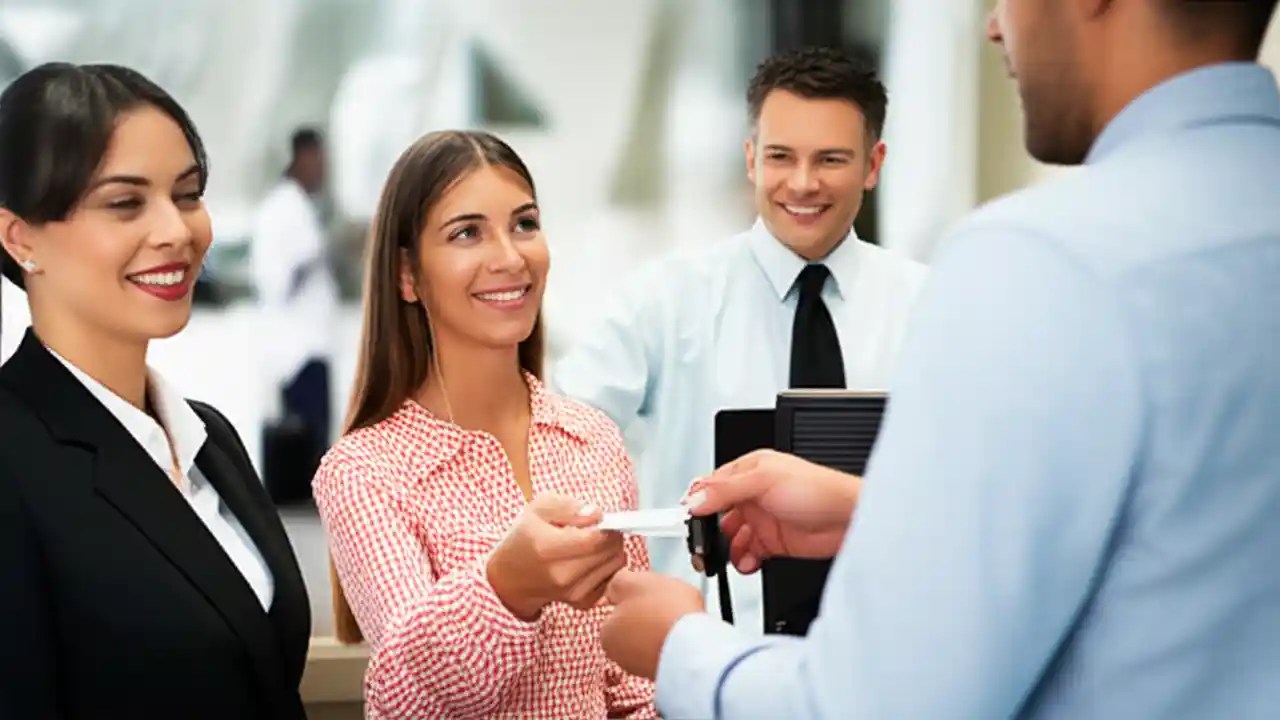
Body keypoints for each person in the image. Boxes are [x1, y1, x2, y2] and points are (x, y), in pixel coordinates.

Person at [599, 1, 1280, 718]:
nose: (994, 25)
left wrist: (680, 646)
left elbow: (874, 705)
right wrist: (869, 512)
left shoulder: (1033, 264)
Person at [552, 46, 928, 631]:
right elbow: (557, 437)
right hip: (707, 664)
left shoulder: (933, 307)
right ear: (751, 158)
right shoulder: (664, 302)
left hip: (885, 656)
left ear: (873, 165)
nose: (803, 184)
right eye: (781, 156)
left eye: (830, 159)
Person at [0, 63, 310, 719]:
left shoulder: (209, 438)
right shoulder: (12, 455)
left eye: (188, 194)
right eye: (125, 202)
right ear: (20, 236)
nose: (177, 231)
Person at [312, 130, 656, 719]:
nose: (510, 257)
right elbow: (406, 699)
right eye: (467, 233)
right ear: (406, 276)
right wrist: (506, 587)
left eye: (524, 224)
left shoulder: (593, 442)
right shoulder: (365, 473)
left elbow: (633, 690)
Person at [250, 127, 339, 503]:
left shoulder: (295, 206)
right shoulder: (286, 208)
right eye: (318, 161)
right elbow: (277, 276)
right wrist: (322, 250)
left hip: (307, 341)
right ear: (302, 158)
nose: (323, 170)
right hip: (299, 345)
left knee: (311, 432)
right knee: (308, 433)